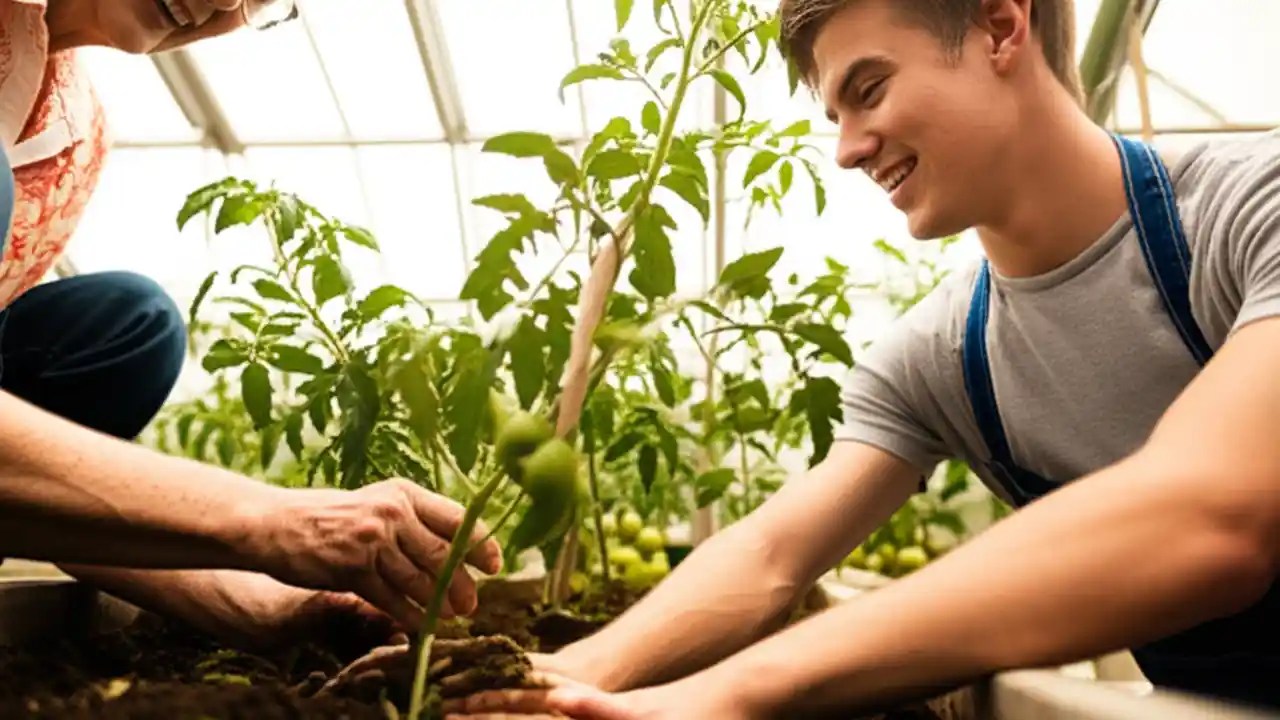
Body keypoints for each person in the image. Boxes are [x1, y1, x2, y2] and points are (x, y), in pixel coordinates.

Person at [442, 0, 1280, 717]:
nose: (845, 149)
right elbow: (773, 557)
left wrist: (728, 693)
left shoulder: (1250, 213)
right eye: (833, 115)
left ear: (999, 25)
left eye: (868, 90)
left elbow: (1212, 518)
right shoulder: (947, 358)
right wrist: (555, 680)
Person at [0, 0, 500, 651]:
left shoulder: (78, 137)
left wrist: (264, 607)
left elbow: (45, 465)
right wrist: (267, 518)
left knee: (133, 326)